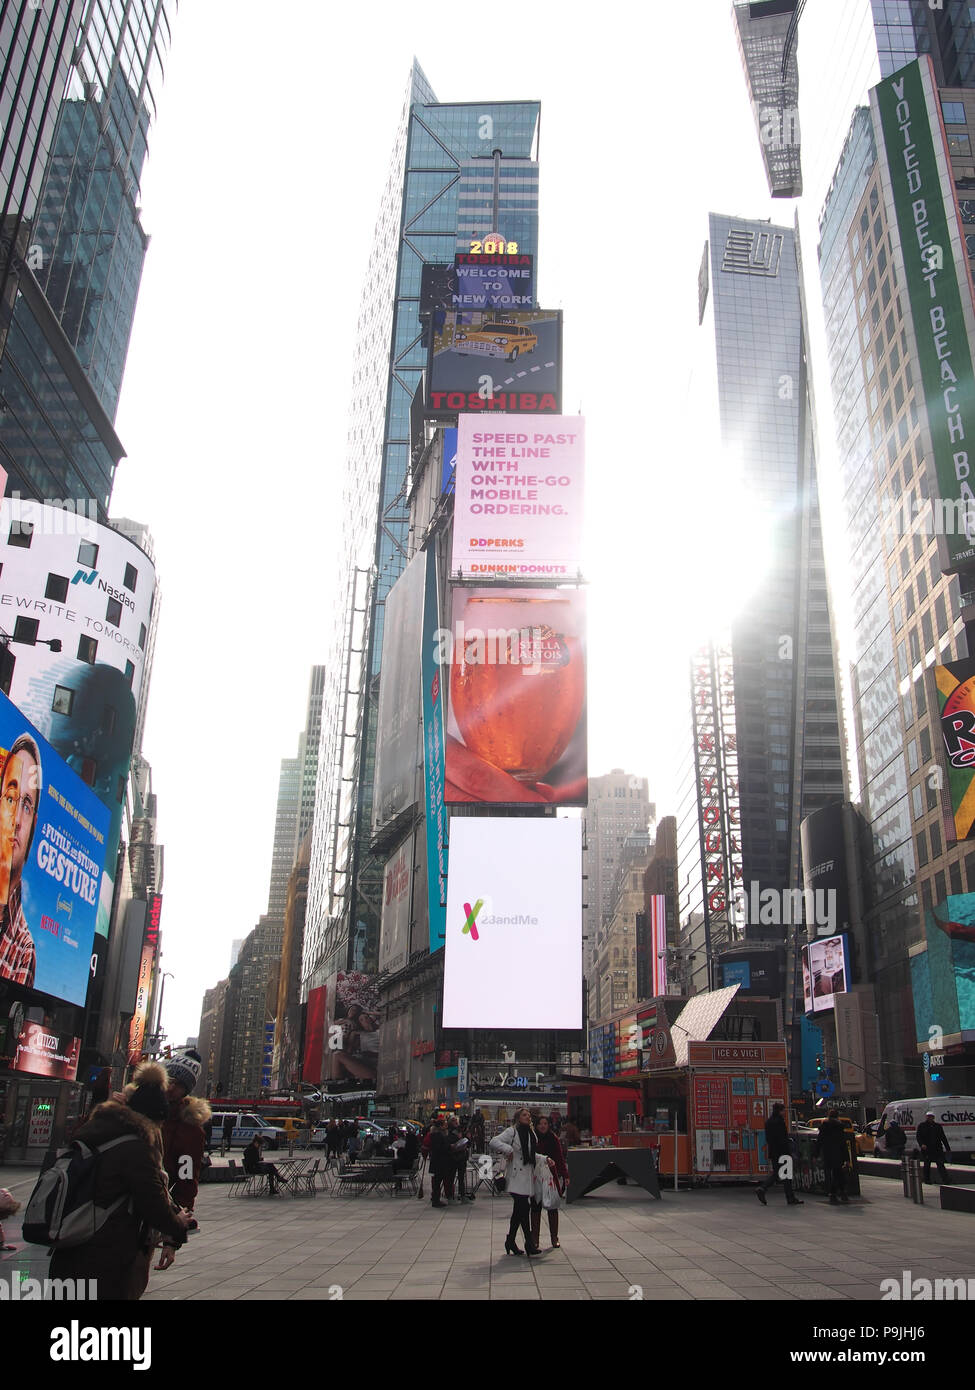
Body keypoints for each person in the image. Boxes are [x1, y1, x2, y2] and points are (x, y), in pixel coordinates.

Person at [47, 1060, 191, 1299]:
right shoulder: (136, 1148)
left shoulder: (97, 1130)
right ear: (153, 1118)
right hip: (105, 1255)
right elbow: (153, 1201)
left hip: (71, 1244)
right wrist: (178, 1226)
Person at [0, 734, 41, 988]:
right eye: (11, 797)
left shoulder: (24, 951)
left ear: (33, 825)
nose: (16, 820)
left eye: (26, 805)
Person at [160, 1049, 210, 1222]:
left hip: (148, 1212)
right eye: (170, 1080)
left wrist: (176, 1230)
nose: (172, 1087)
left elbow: (186, 1178)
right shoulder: (136, 1107)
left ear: (186, 1091)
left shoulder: (190, 1130)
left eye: (180, 1085)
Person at [491, 1107, 541, 1256]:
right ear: (518, 1117)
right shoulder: (512, 1131)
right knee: (523, 1208)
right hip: (515, 1176)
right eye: (524, 1115)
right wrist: (508, 1149)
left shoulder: (531, 1133)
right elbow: (494, 1141)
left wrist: (545, 1159)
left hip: (527, 1175)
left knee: (519, 1211)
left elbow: (532, 1154)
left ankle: (511, 1240)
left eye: (529, 1115)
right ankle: (528, 1243)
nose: (528, 1117)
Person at [531, 1114, 568, 1249]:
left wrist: (565, 1175)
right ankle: (535, 1238)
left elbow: (559, 1157)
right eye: (540, 1124)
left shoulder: (553, 1138)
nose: (542, 1126)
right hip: (536, 1176)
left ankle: (554, 1237)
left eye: (545, 1124)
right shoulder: (532, 1138)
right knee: (535, 1206)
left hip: (551, 1177)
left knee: (552, 1206)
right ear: (536, 1125)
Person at [756, 1102, 803, 1207]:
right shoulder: (780, 1122)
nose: (784, 1113)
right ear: (780, 1111)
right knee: (786, 1175)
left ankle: (763, 1188)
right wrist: (789, 1152)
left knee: (778, 1173)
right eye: (783, 1110)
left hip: (773, 1152)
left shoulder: (768, 1122)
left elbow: (768, 1138)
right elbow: (783, 1139)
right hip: (783, 1152)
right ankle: (789, 1197)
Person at [815, 1109, 850, 1205]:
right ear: (837, 1117)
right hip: (838, 1154)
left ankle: (836, 1193)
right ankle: (837, 1193)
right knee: (838, 1173)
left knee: (833, 1173)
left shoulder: (824, 1127)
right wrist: (847, 1159)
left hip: (827, 1153)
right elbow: (843, 1144)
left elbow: (819, 1141)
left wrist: (815, 1154)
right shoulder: (839, 1127)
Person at [916, 1110, 952, 1185]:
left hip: (937, 1149)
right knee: (927, 1165)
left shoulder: (938, 1126)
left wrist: (947, 1148)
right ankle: (927, 1179)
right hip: (927, 1149)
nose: (930, 1118)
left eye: (931, 1117)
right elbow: (919, 1137)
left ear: (933, 1117)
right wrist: (921, 1144)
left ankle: (945, 1180)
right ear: (926, 1117)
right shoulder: (922, 1126)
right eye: (929, 1117)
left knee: (940, 1164)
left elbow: (943, 1137)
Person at [429, 1116, 453, 1208]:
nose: (446, 1126)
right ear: (441, 1126)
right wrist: (449, 1147)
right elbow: (440, 1148)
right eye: (445, 1124)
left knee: (437, 1181)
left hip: (438, 1161)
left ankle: (436, 1198)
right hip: (439, 1162)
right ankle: (435, 1200)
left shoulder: (437, 1134)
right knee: (437, 1181)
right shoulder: (438, 1135)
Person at [448, 1116, 472, 1202]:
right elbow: (449, 1143)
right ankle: (450, 1196)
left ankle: (462, 1195)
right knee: (451, 1177)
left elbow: (468, 1143)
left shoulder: (461, 1131)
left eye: (456, 1121)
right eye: (454, 1121)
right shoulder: (449, 1131)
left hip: (462, 1157)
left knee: (461, 1178)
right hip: (453, 1157)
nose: (456, 1122)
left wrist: (468, 1138)